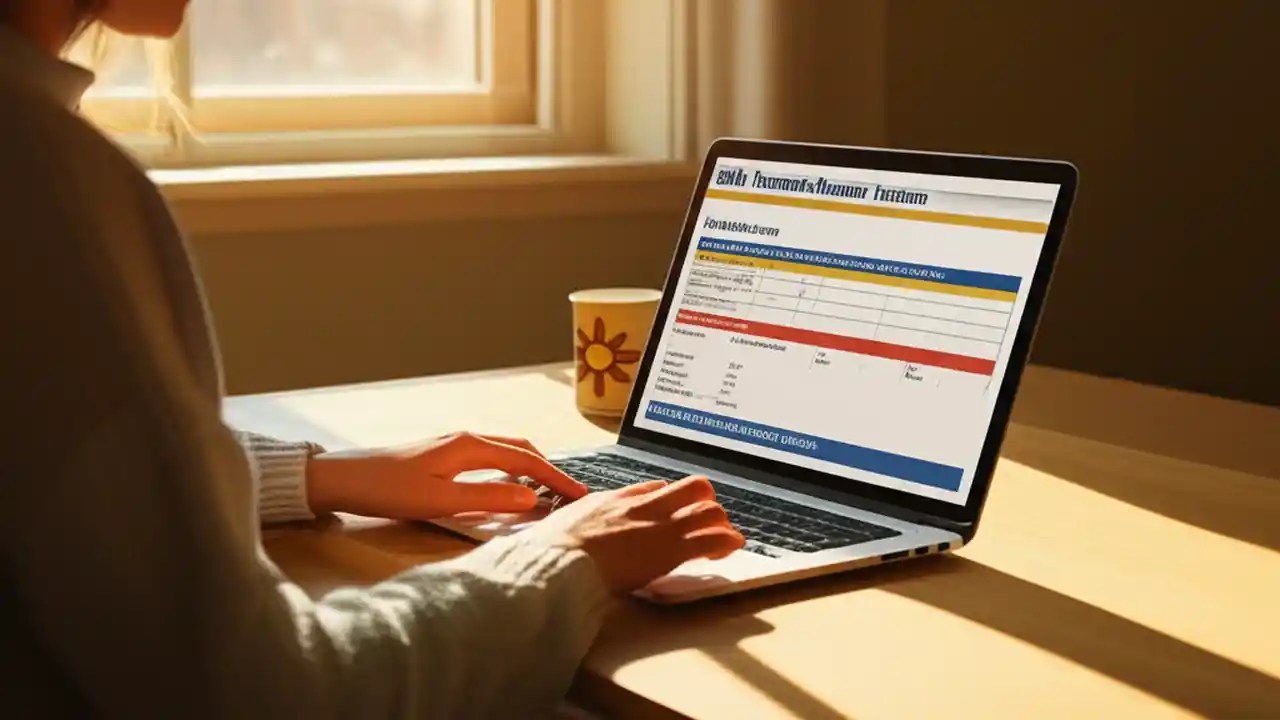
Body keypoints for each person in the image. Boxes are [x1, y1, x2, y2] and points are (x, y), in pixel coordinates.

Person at [0, 1, 746, 717]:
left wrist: (318, 475)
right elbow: (274, 697)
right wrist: (565, 556)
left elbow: (50, 471)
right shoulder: (42, 179)